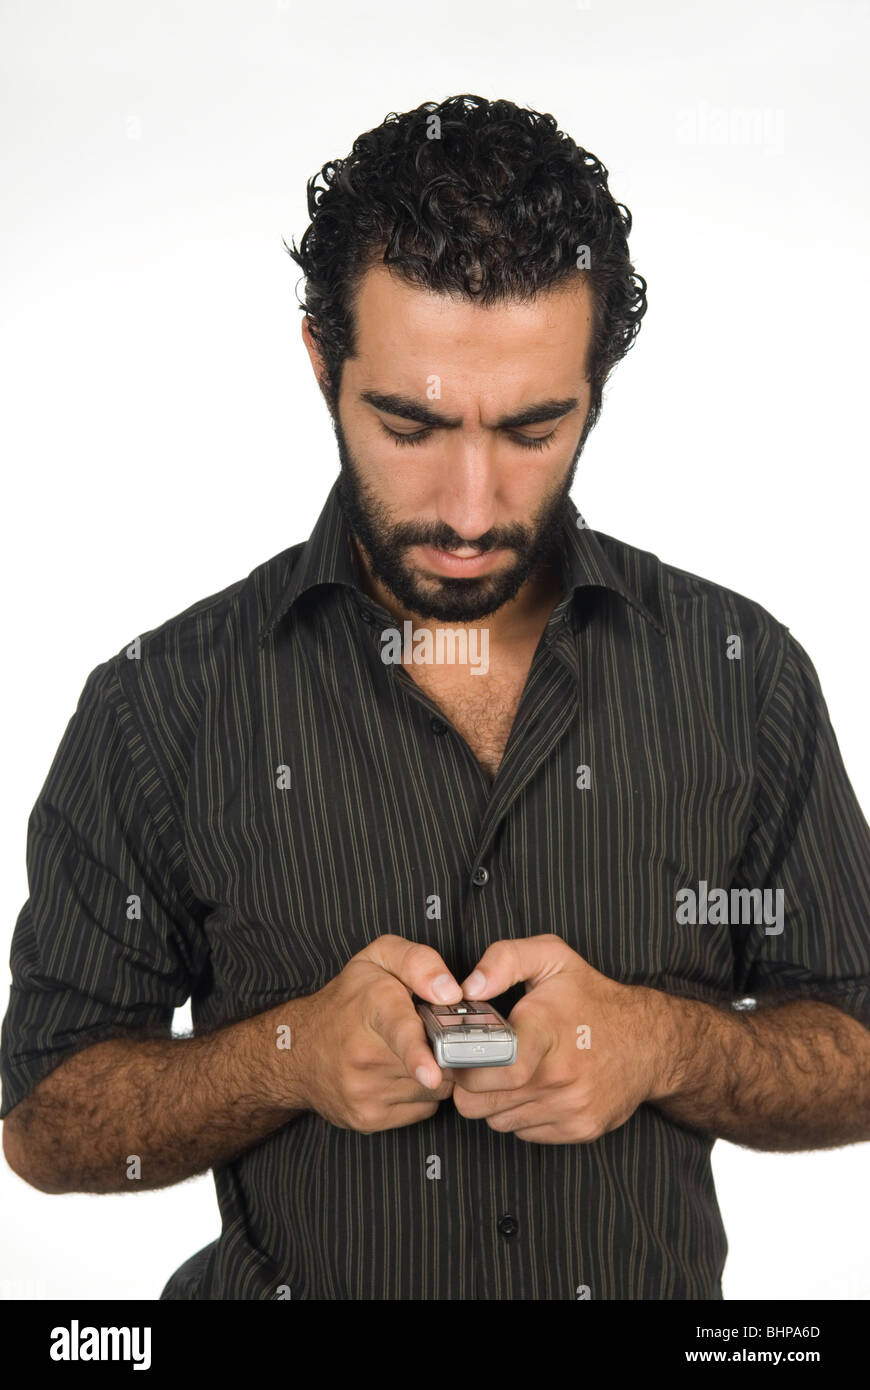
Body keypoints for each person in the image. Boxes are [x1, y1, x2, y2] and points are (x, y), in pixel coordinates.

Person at [2, 94, 869, 1301]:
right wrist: (289, 1056)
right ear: (322, 364)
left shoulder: (744, 673)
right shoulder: (163, 705)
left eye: (533, 426)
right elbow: (45, 1121)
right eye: (410, 423)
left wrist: (664, 1042)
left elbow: (859, 1046)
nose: (470, 507)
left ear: (599, 383)